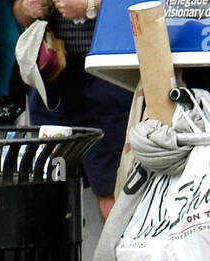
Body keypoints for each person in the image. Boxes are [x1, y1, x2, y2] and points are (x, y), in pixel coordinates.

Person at [13, 0, 132, 221]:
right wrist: (28, 8)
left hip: (107, 70)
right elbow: (19, 11)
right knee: (47, 183)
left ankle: (116, 255)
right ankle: (56, 255)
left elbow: (150, 6)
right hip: (52, 74)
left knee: (112, 192)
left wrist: (91, 6)